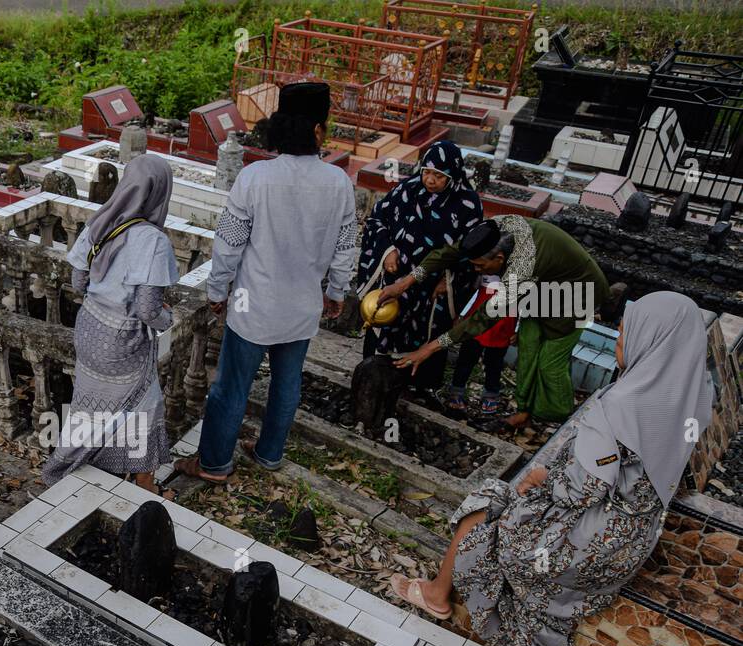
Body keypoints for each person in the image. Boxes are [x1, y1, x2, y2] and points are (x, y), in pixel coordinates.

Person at [388, 292, 714, 646]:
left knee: (488, 499)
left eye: (624, 334)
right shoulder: (693, 397)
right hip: (628, 548)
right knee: (557, 597)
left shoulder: (621, 405)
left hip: (583, 543)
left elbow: (583, 489)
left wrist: (540, 478)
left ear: (651, 340)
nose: (619, 342)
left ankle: (437, 595)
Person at [176, 81, 357, 483]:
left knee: (231, 387)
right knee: (287, 383)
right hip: (303, 305)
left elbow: (229, 243)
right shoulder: (339, 183)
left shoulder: (255, 177)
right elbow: (347, 244)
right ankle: (270, 453)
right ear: (317, 130)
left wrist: (217, 291)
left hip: (253, 306)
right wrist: (336, 291)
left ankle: (214, 464)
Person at [379, 215, 610, 431]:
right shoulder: (489, 231)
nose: (476, 270)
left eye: (480, 266)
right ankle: (523, 411)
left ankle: (558, 416)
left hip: (578, 292)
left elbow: (485, 317)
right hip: (541, 285)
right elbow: (446, 254)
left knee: (550, 362)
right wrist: (405, 282)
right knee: (528, 346)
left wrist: (430, 347)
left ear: (499, 259)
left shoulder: (521, 268)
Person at [42, 154, 178, 489]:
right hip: (122, 340)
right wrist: (169, 319)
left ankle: (66, 463)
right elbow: (147, 309)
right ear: (160, 192)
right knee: (146, 405)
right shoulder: (154, 242)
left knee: (91, 406)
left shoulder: (101, 220)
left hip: (89, 328)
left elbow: (77, 283)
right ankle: (144, 481)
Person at [355, 140, 483, 393]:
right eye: (427, 172)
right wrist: (387, 250)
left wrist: (449, 280)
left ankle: (418, 386)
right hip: (396, 277)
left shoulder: (468, 205)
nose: (430, 180)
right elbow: (377, 219)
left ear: (453, 175)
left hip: (433, 288)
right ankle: (376, 377)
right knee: (386, 322)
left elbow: (472, 250)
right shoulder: (407, 190)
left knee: (428, 331)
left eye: (439, 175)